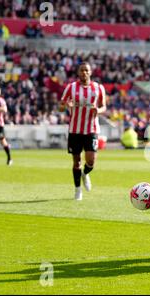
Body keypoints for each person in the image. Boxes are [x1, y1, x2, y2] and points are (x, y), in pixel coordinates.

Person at [59, 62, 107, 201]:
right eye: (82, 70)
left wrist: (98, 110)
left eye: (86, 70)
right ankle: (77, 190)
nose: (84, 73)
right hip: (75, 130)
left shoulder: (98, 88)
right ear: (78, 72)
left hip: (91, 129)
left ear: (90, 72)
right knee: (76, 162)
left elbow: (103, 106)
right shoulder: (71, 88)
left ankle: (85, 174)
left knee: (91, 161)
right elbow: (61, 107)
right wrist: (66, 105)